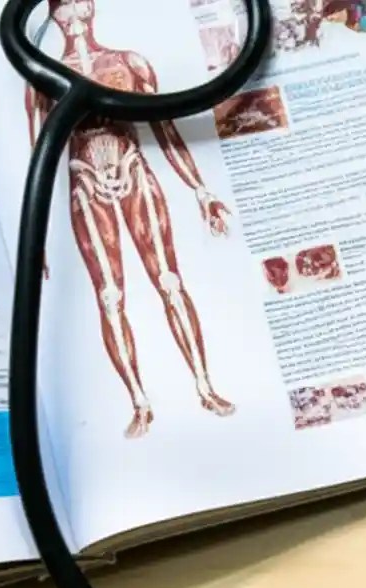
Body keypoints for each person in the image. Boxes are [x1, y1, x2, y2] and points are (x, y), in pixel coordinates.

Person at [25, 0, 237, 438]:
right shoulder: (41, 77)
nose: (74, 9)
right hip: (85, 183)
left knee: (170, 282)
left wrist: (201, 189)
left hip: (132, 169)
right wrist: (37, 235)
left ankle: (205, 385)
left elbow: (165, 129)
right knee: (108, 296)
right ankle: (140, 403)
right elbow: (39, 156)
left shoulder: (127, 62)